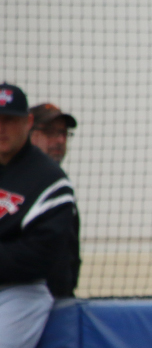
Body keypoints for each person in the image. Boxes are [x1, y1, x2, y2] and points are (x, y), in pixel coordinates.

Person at [0, 83, 81, 348]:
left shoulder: (51, 181)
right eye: (50, 133)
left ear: (27, 123)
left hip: (21, 291)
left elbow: (43, 255)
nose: (2, 128)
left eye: (10, 120)